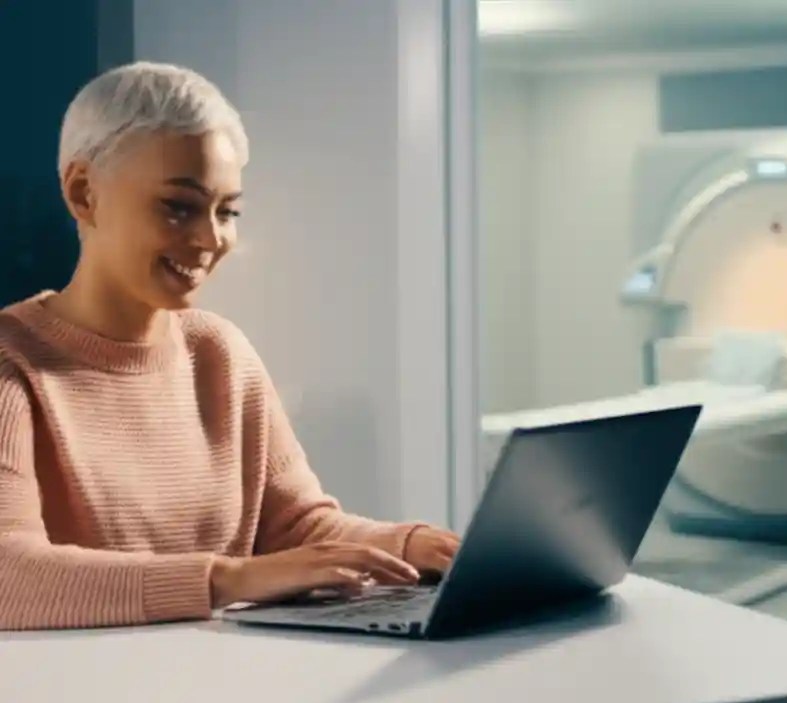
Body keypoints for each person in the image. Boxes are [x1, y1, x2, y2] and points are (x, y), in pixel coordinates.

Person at [0, 61, 461, 631]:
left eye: (228, 210)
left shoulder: (219, 353)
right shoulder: (11, 365)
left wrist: (410, 545)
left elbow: (298, 532)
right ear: (83, 193)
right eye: (179, 206)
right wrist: (229, 579)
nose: (211, 239)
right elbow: (7, 574)